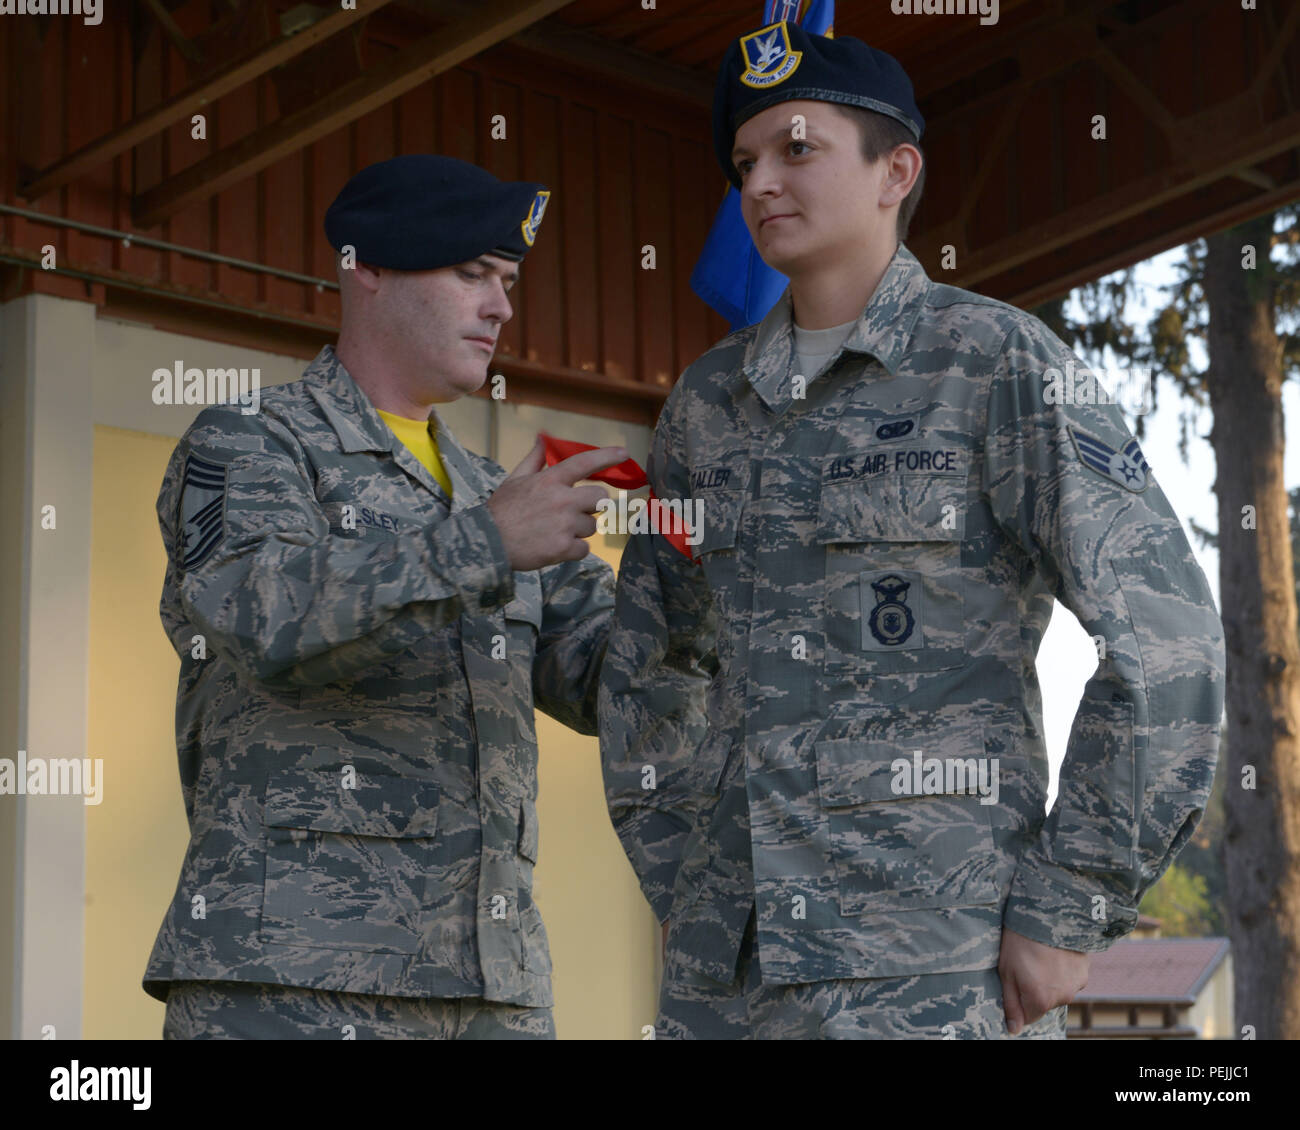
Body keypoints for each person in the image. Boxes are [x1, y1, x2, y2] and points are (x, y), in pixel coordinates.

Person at [598, 22, 1226, 1039]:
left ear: (897, 170)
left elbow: (1167, 643)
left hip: (931, 967)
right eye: (745, 161)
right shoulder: (705, 407)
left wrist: (1067, 905)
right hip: (727, 981)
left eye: (797, 148)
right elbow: (652, 660)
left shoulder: (996, 365)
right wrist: (685, 877)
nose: (760, 182)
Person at [144, 154, 627, 1039]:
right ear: (366, 267)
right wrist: (483, 542)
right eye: (471, 274)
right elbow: (259, 612)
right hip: (292, 978)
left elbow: (611, 687)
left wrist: (700, 579)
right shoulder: (252, 442)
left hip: (495, 984)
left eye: (508, 281)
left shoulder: (497, 488)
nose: (501, 309)